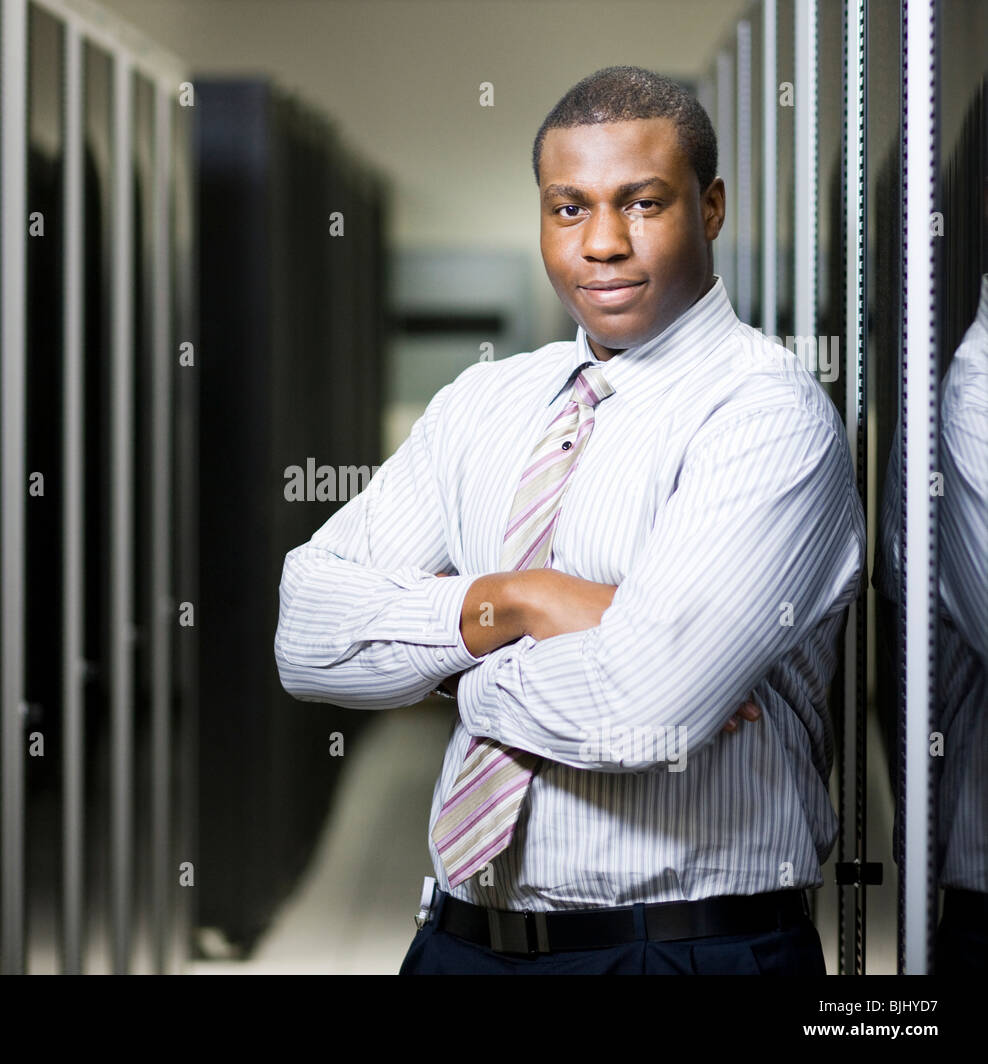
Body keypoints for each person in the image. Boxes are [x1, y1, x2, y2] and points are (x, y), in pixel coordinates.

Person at [274, 66, 864, 974]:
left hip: (678, 951)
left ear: (708, 210)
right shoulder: (485, 400)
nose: (602, 243)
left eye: (641, 203)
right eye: (568, 207)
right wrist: (523, 602)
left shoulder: (765, 414)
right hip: (457, 941)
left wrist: (441, 675)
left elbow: (643, 705)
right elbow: (307, 632)